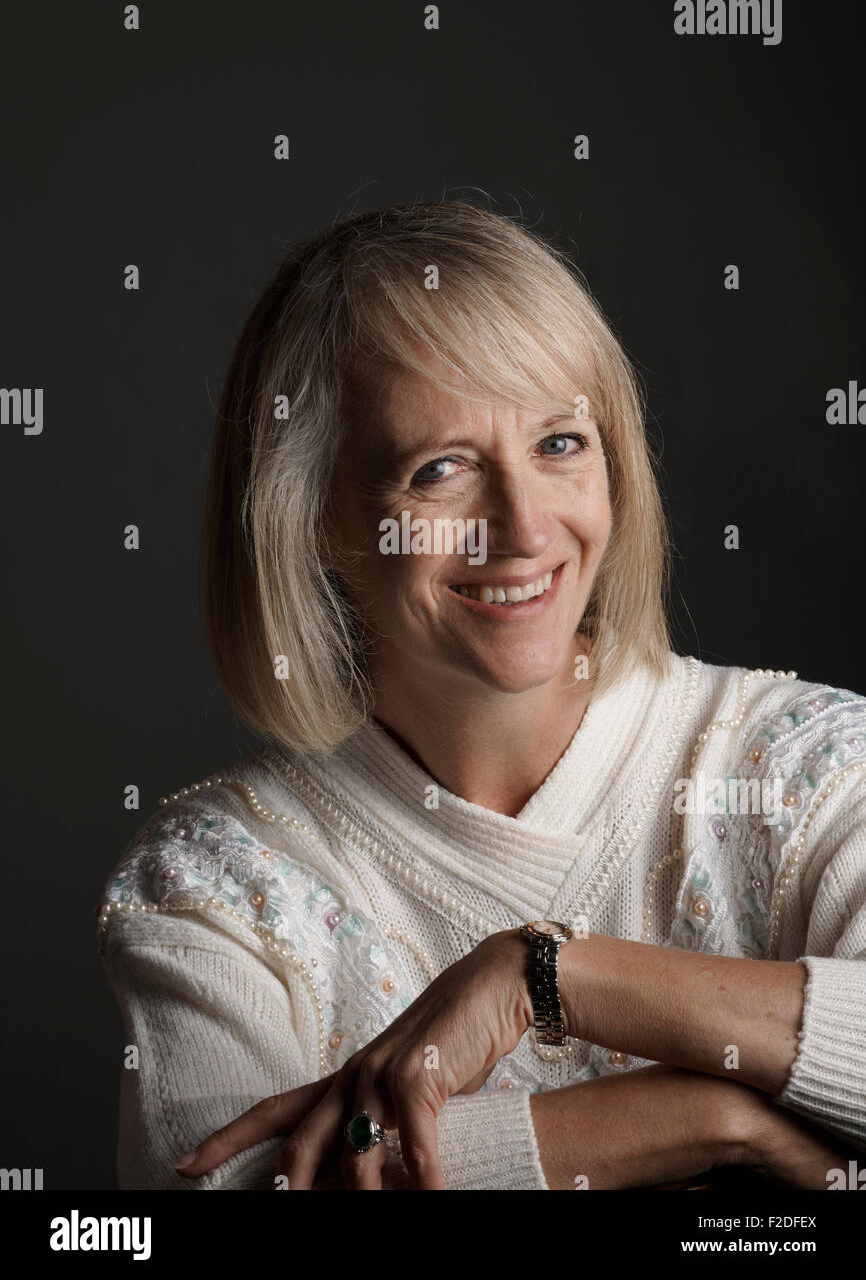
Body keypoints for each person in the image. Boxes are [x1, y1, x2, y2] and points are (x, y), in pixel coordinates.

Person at [96, 201, 866, 1190]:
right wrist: (710, 1116)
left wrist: (543, 975)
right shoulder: (213, 883)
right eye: (440, 469)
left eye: (558, 444)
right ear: (313, 525)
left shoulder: (809, 762)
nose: (522, 526)